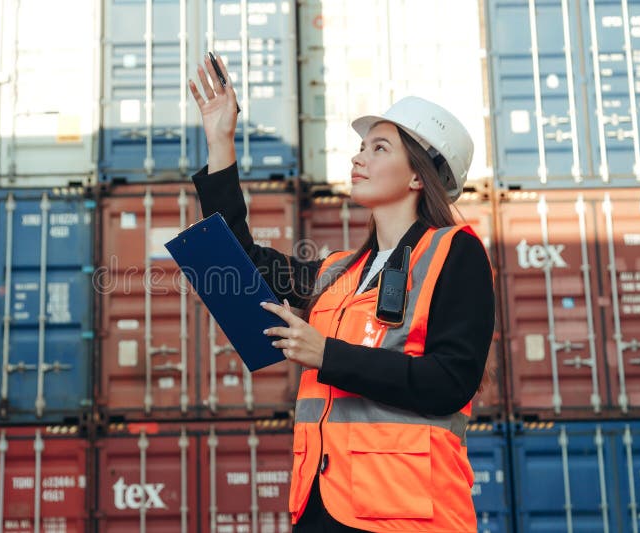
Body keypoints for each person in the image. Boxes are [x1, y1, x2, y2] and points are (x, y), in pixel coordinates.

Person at [188, 54, 494, 533]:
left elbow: (450, 382)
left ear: (418, 176)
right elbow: (231, 260)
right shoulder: (336, 273)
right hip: (321, 505)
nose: (358, 157)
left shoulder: (456, 254)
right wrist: (220, 141)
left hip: (408, 515)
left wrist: (326, 353)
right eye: (361, 147)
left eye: (378, 148)